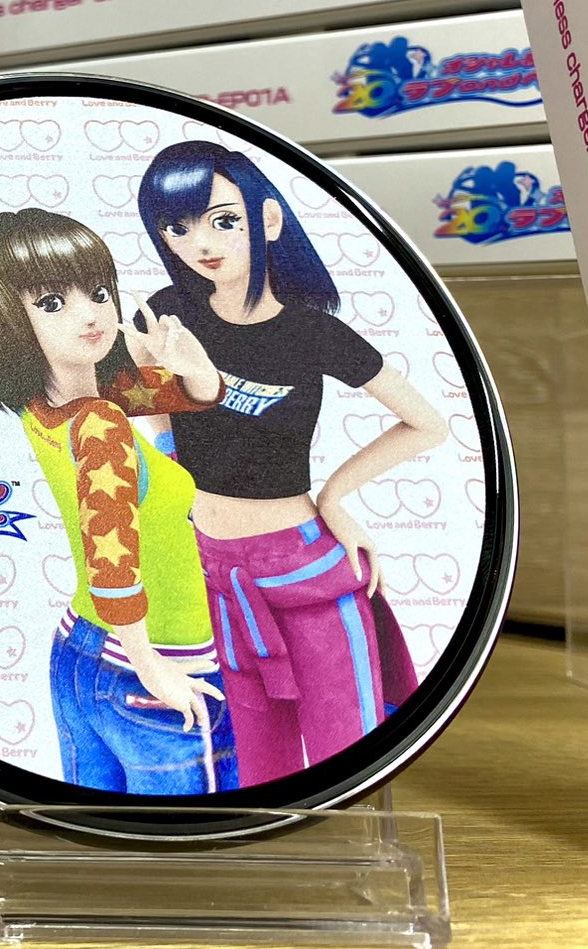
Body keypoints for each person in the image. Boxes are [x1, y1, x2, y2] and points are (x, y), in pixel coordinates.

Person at [137, 141, 443, 785]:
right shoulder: (171, 310)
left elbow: (427, 424)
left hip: (304, 570)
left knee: (345, 750)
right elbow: (148, 408)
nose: (202, 244)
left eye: (224, 220)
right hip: (214, 574)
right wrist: (172, 459)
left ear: (268, 219)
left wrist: (334, 498)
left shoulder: (313, 333)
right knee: (256, 767)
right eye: (178, 228)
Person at [0, 208, 239, 795]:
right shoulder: (100, 423)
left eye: (99, 292)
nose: (92, 314)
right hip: (153, 663)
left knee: (93, 823)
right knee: (189, 837)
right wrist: (154, 669)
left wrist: (189, 365)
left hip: (80, 651)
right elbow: (113, 563)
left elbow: (191, 394)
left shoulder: (46, 404)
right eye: (53, 303)